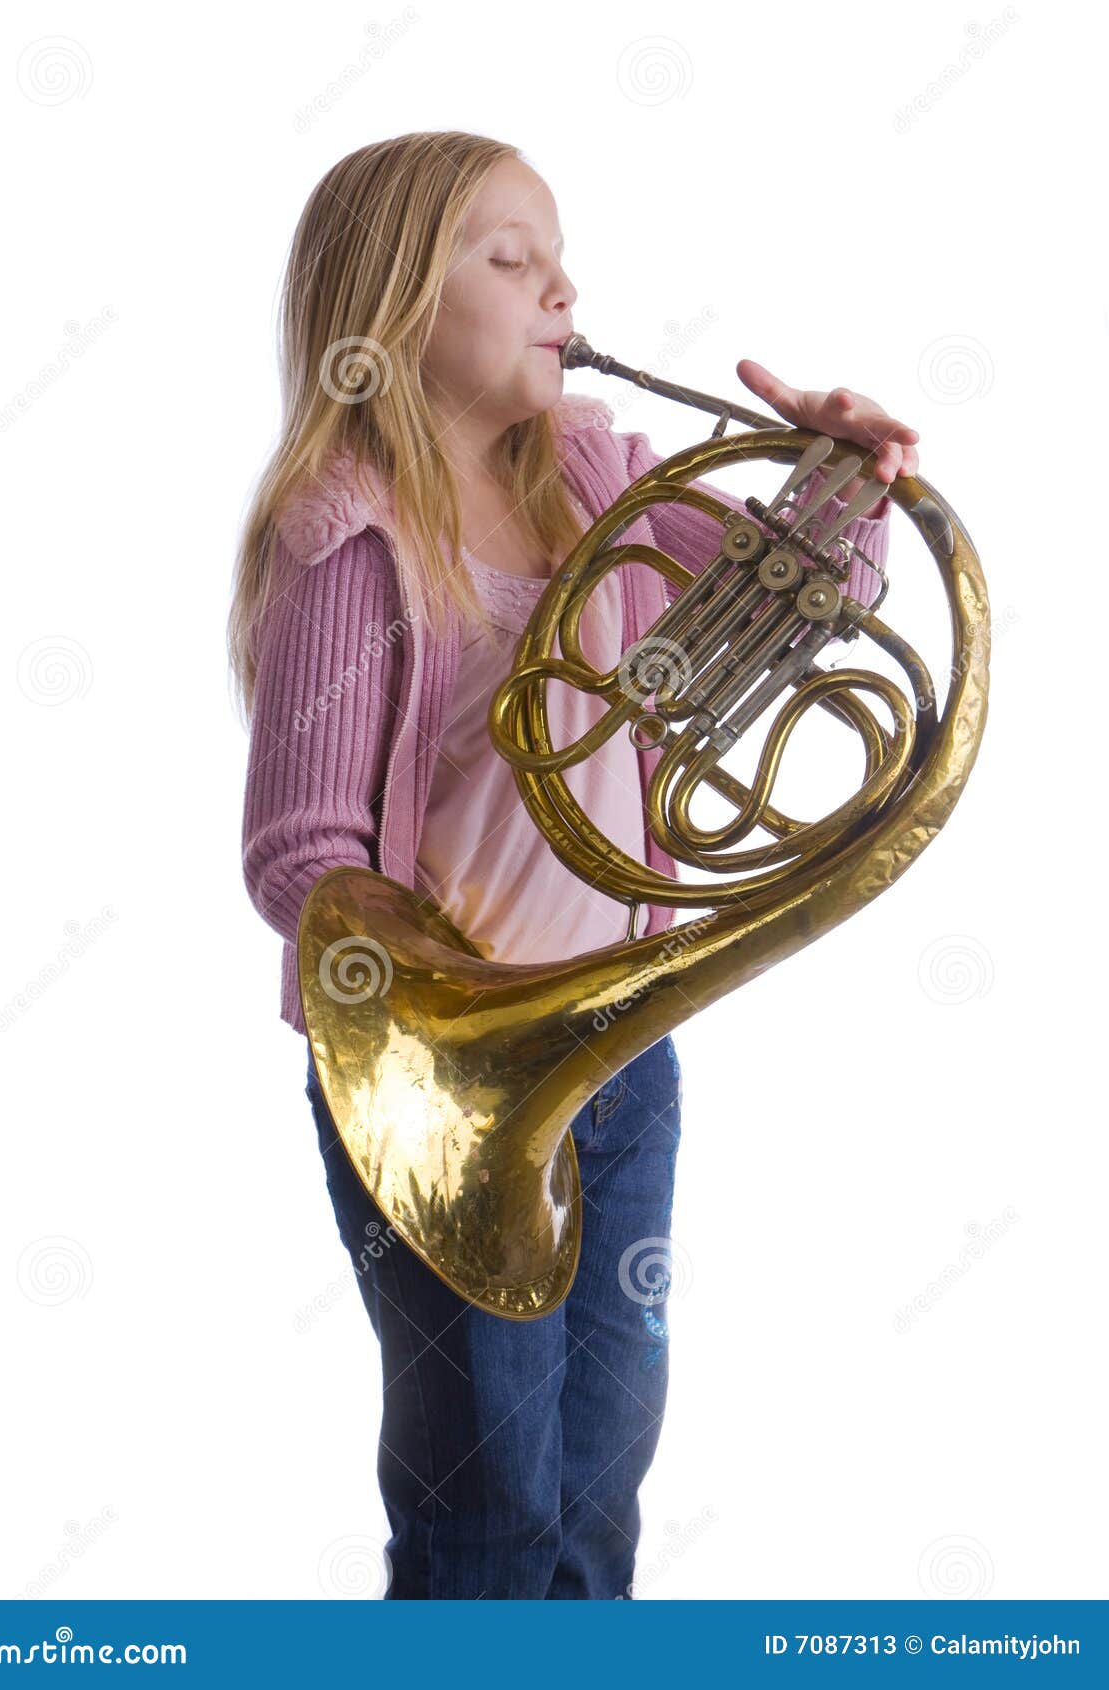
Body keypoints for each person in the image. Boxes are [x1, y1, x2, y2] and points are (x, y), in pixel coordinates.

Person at [229, 130, 919, 1600]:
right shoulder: (355, 536)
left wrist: (840, 484)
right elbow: (302, 851)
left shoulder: (600, 476)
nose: (563, 287)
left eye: (560, 259)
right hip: (434, 1098)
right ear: (396, 305)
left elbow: (803, 605)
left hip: (623, 1062)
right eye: (510, 258)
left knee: (601, 1488)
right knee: (486, 1504)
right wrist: (467, 1015)